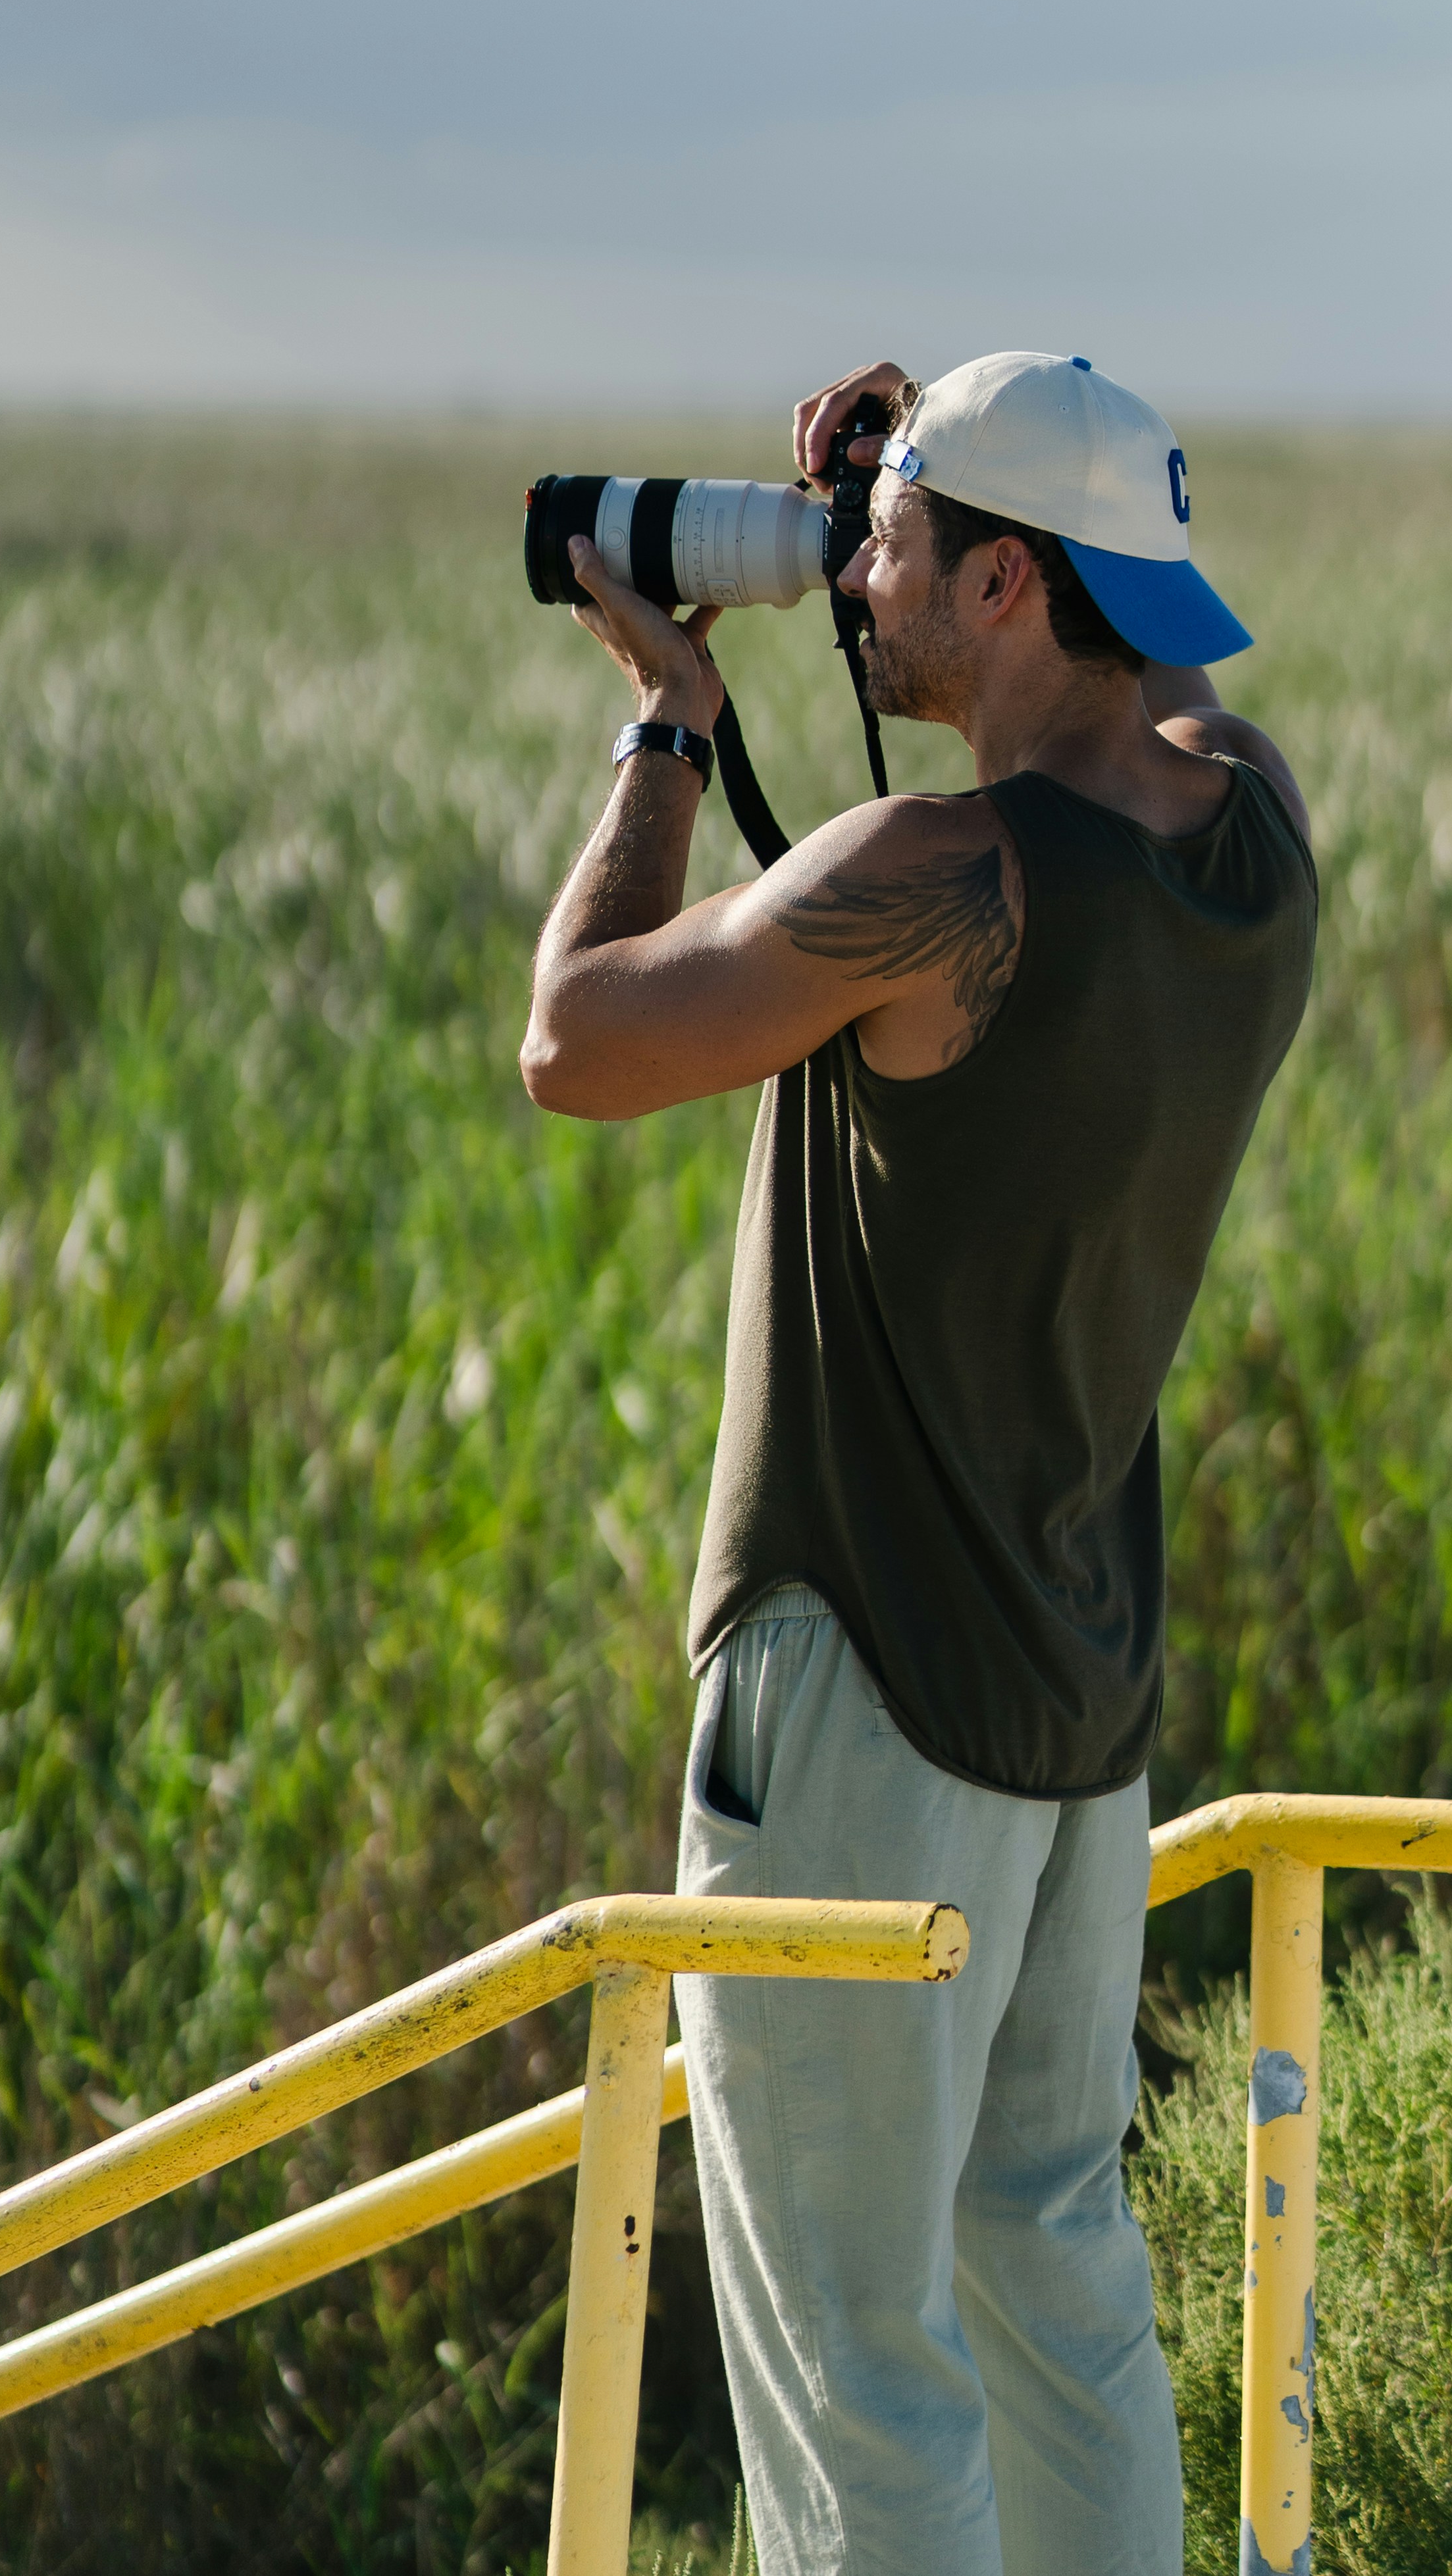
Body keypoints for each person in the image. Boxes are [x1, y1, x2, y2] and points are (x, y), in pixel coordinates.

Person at [522, 348, 1316, 2576]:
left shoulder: (931, 878)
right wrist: (932, 511)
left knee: (854, 2355)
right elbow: (1132, 663)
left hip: (859, 1694)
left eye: (888, 552)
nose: (847, 579)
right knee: (1053, 2275)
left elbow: (572, 1038)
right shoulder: (1249, 833)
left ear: (998, 578)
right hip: (1076, 1710)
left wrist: (669, 720)